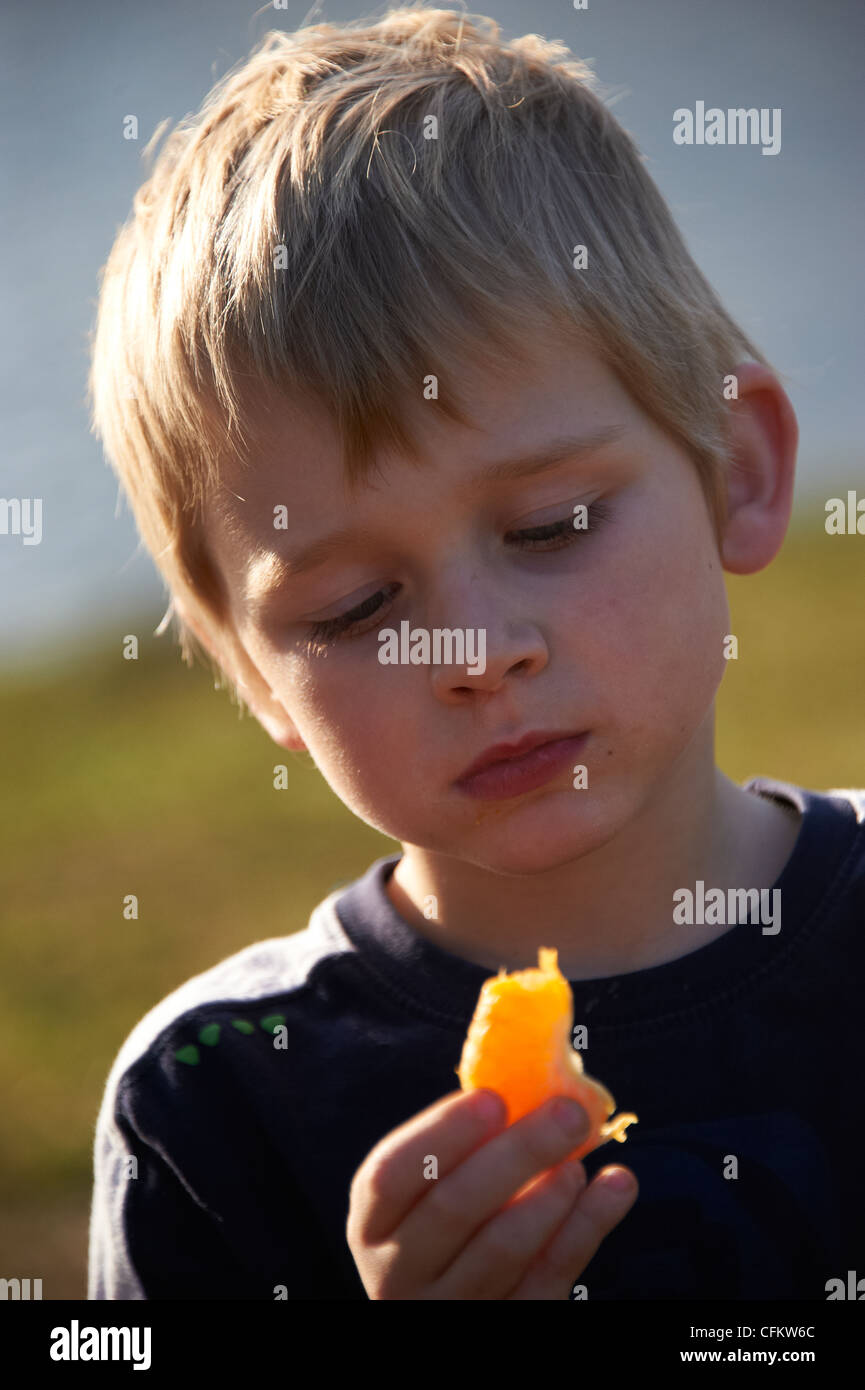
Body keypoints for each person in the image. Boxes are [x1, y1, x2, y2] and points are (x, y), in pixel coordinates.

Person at [86, 4, 864, 1300]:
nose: (477, 651)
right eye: (348, 608)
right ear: (247, 671)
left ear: (736, 470)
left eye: (550, 524)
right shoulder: (215, 1113)